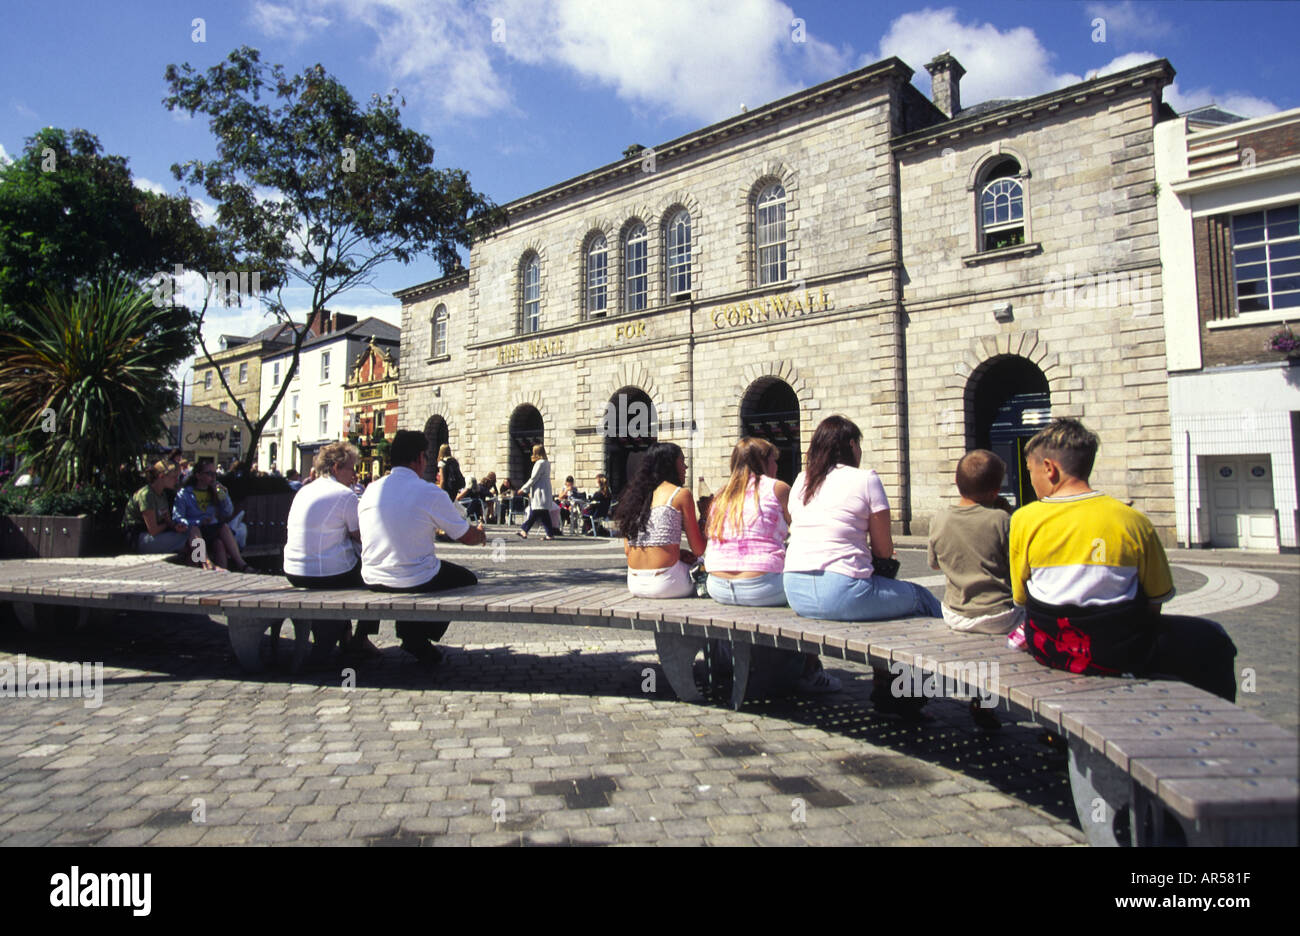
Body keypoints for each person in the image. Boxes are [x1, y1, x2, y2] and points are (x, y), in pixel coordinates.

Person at [1010, 418, 1238, 701]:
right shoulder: (1133, 520)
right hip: (1119, 650)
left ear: (1049, 468)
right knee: (1214, 638)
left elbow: (1020, 597)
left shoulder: (1023, 519)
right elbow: (1157, 599)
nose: (1031, 479)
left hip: (1049, 648)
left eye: (1030, 471)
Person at [783, 415, 942, 717]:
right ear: (853, 445)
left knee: (889, 601)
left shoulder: (802, 480)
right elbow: (884, 549)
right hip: (842, 592)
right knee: (922, 599)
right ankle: (904, 692)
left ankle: (890, 682)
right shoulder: (865, 478)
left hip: (796, 590)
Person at [705, 437, 838, 693]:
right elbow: (800, 530)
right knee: (809, 591)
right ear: (763, 462)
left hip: (718, 584)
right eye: (774, 460)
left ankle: (730, 661)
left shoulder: (721, 494)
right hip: (761, 584)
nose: (777, 465)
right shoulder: (777, 488)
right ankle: (810, 669)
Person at [359, 430, 486, 665]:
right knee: (466, 579)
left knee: (416, 571)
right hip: (414, 577)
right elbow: (465, 536)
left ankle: (401, 634)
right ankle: (415, 635)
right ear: (419, 458)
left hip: (371, 576)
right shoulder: (428, 491)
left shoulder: (370, 490)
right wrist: (479, 535)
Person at [927, 449, 1022, 729]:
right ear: (996, 490)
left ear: (957, 484)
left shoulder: (939, 519)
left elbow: (933, 565)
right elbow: (1017, 568)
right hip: (1000, 617)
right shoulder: (1002, 521)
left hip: (956, 614)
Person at [283, 442, 381, 658]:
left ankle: (344, 634)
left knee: (345, 564)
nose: (355, 475)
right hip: (324, 574)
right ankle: (361, 638)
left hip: (294, 572)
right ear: (336, 467)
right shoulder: (344, 495)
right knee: (377, 577)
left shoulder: (304, 490)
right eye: (352, 469)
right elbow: (360, 536)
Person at [614, 442, 707, 598]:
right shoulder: (680, 494)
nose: (685, 468)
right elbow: (699, 549)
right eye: (682, 462)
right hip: (667, 583)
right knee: (706, 563)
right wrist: (705, 516)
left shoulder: (635, 498)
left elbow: (627, 550)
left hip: (634, 582)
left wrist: (676, 552)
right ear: (670, 466)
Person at [174, 459, 257, 572]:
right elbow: (178, 517)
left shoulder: (216, 490)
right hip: (192, 533)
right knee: (195, 530)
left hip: (210, 531)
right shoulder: (185, 494)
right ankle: (206, 563)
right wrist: (198, 522)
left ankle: (239, 564)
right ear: (198, 475)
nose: (213, 477)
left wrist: (222, 496)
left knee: (220, 539)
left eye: (215, 474)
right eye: (209, 474)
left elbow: (228, 512)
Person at [122, 461, 206, 562]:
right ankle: (204, 562)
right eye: (173, 477)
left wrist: (175, 527)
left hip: (154, 536)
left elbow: (167, 520)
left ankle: (200, 563)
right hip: (140, 539)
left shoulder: (162, 495)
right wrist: (167, 524)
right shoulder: (147, 495)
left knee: (193, 531)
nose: (176, 480)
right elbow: (153, 530)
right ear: (162, 476)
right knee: (191, 536)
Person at [516, 444, 558, 539]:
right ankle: (550, 534)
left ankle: (524, 530)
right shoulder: (546, 462)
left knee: (536, 511)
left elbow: (533, 478)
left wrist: (523, 489)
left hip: (539, 491)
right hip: (545, 489)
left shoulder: (539, 463)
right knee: (543, 513)